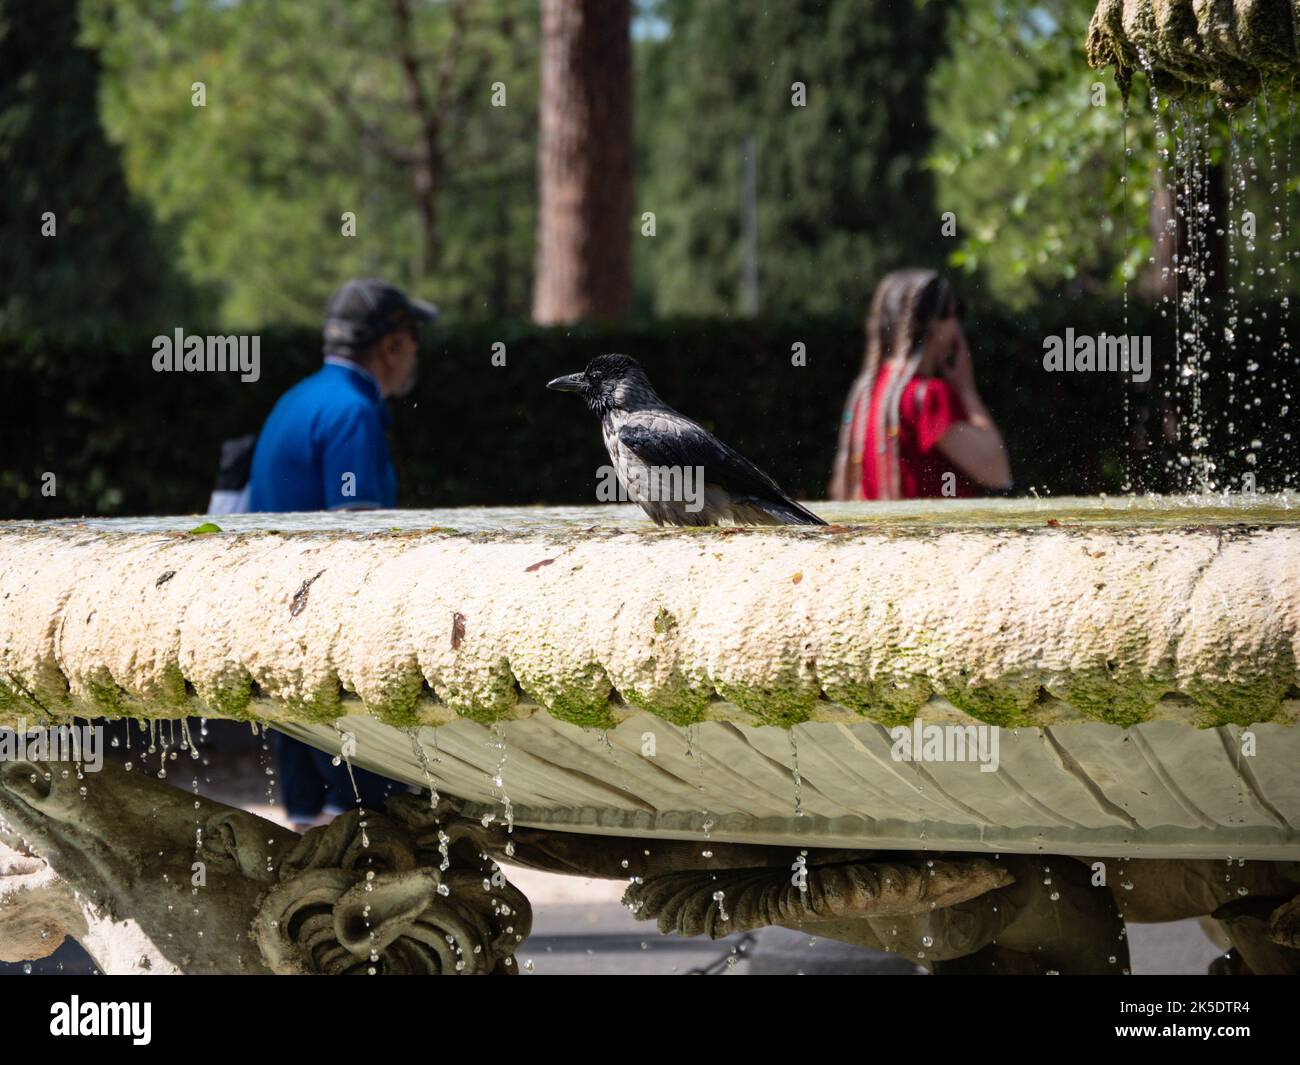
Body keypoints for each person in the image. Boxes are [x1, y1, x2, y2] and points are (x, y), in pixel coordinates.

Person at [249, 278, 436, 830]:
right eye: (415, 337)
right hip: (330, 658)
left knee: (309, 830)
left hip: (275, 644)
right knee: (369, 827)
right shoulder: (353, 411)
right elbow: (356, 545)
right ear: (393, 345)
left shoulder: (295, 399)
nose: (418, 352)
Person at [829, 270, 1012, 501]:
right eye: (957, 313)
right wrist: (968, 392)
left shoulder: (866, 393)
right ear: (936, 326)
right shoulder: (930, 396)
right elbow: (997, 473)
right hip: (937, 536)